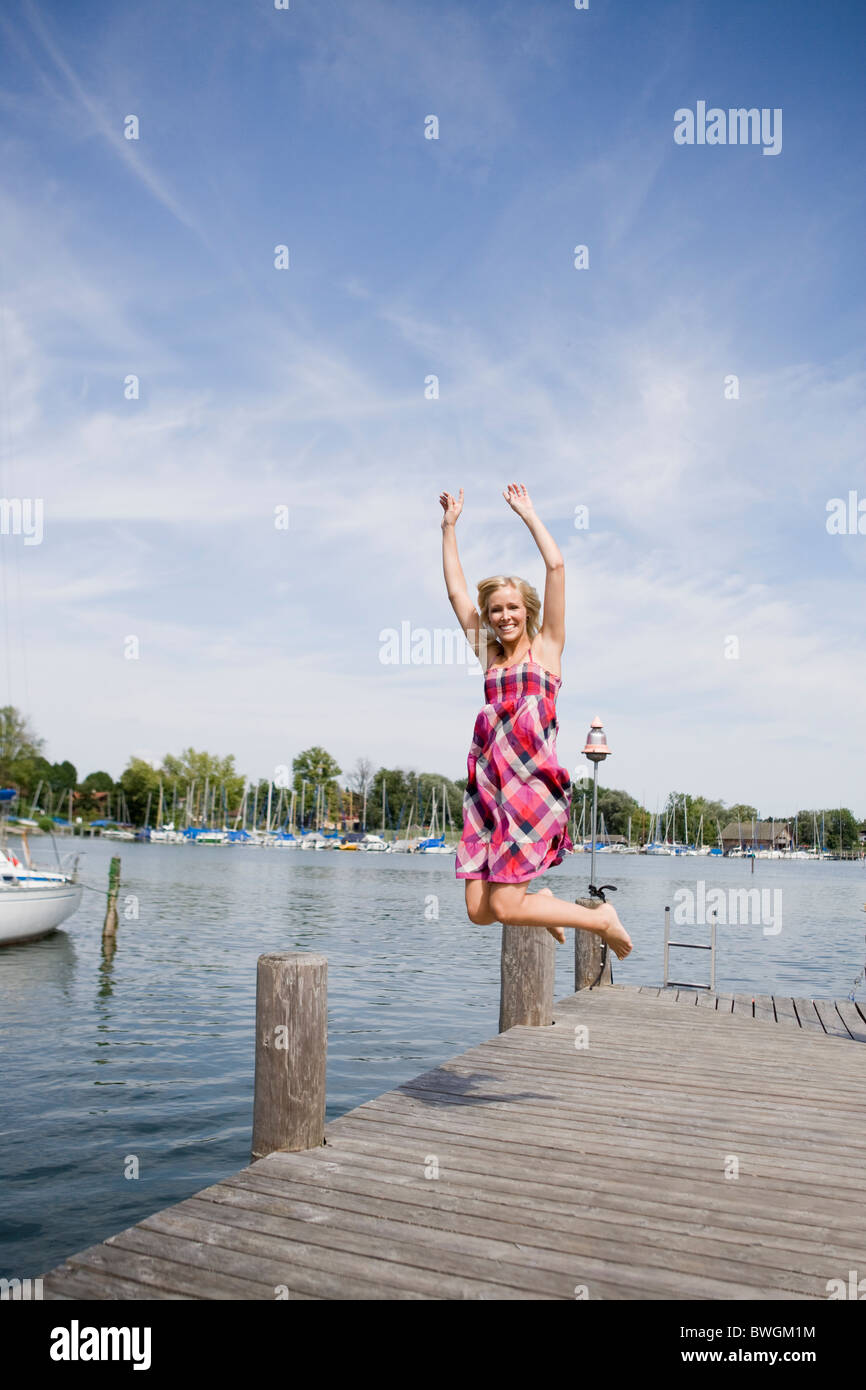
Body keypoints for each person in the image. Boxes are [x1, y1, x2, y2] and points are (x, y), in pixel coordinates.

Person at [440, 482, 632, 959]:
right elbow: (455, 592)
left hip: (531, 790)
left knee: (505, 906)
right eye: (495, 610)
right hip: (488, 791)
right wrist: (448, 529)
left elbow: (556, 567)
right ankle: (543, 901)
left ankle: (599, 918)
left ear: (526, 612)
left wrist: (528, 514)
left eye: (511, 608)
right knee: (479, 910)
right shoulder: (488, 658)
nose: (503, 616)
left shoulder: (547, 650)